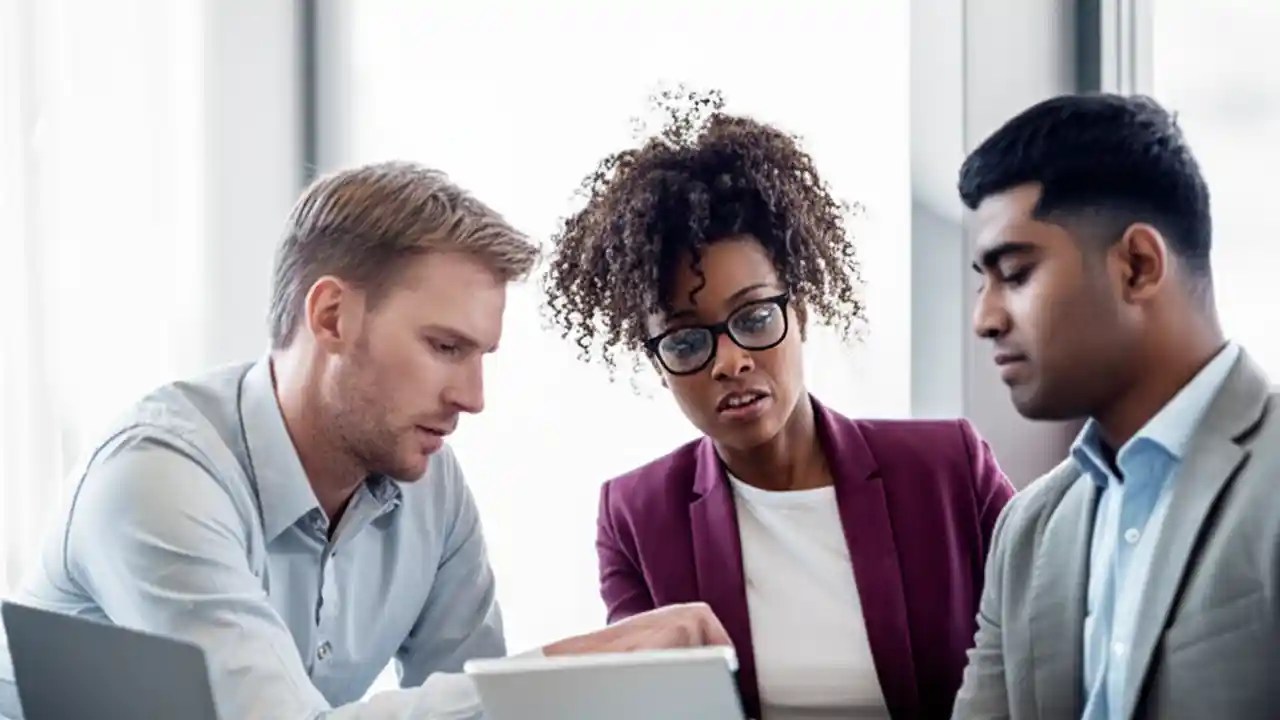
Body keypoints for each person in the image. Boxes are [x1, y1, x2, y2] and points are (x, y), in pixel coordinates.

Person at [0, 162, 732, 720]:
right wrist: (577, 663)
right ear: (331, 317)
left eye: (481, 356)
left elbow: (480, 710)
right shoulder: (158, 479)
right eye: (445, 347)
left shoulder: (430, 488)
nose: (473, 398)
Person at [541, 90, 1015, 720]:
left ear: (802, 314)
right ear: (659, 363)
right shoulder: (636, 516)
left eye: (755, 316)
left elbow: (1049, 651)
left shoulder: (946, 468)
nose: (730, 361)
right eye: (686, 340)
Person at [952, 93, 1280, 720]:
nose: (985, 319)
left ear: (1137, 266)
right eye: (982, 282)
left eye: (1015, 274)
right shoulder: (1027, 530)